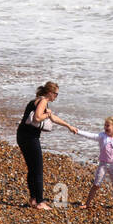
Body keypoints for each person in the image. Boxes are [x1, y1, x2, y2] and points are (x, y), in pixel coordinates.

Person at [16, 82, 77, 210]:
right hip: (29, 137)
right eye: (56, 94)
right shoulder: (43, 101)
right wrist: (47, 114)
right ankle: (40, 202)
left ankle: (33, 199)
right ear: (50, 93)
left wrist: (68, 126)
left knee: (32, 168)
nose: (56, 96)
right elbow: (37, 118)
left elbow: (53, 118)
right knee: (37, 169)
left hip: (23, 135)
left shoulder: (38, 100)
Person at [75, 116, 113, 211]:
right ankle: (87, 203)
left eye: (107, 125)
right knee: (96, 185)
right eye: (105, 125)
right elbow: (90, 135)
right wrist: (78, 131)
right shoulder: (102, 136)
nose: (105, 127)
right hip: (103, 165)